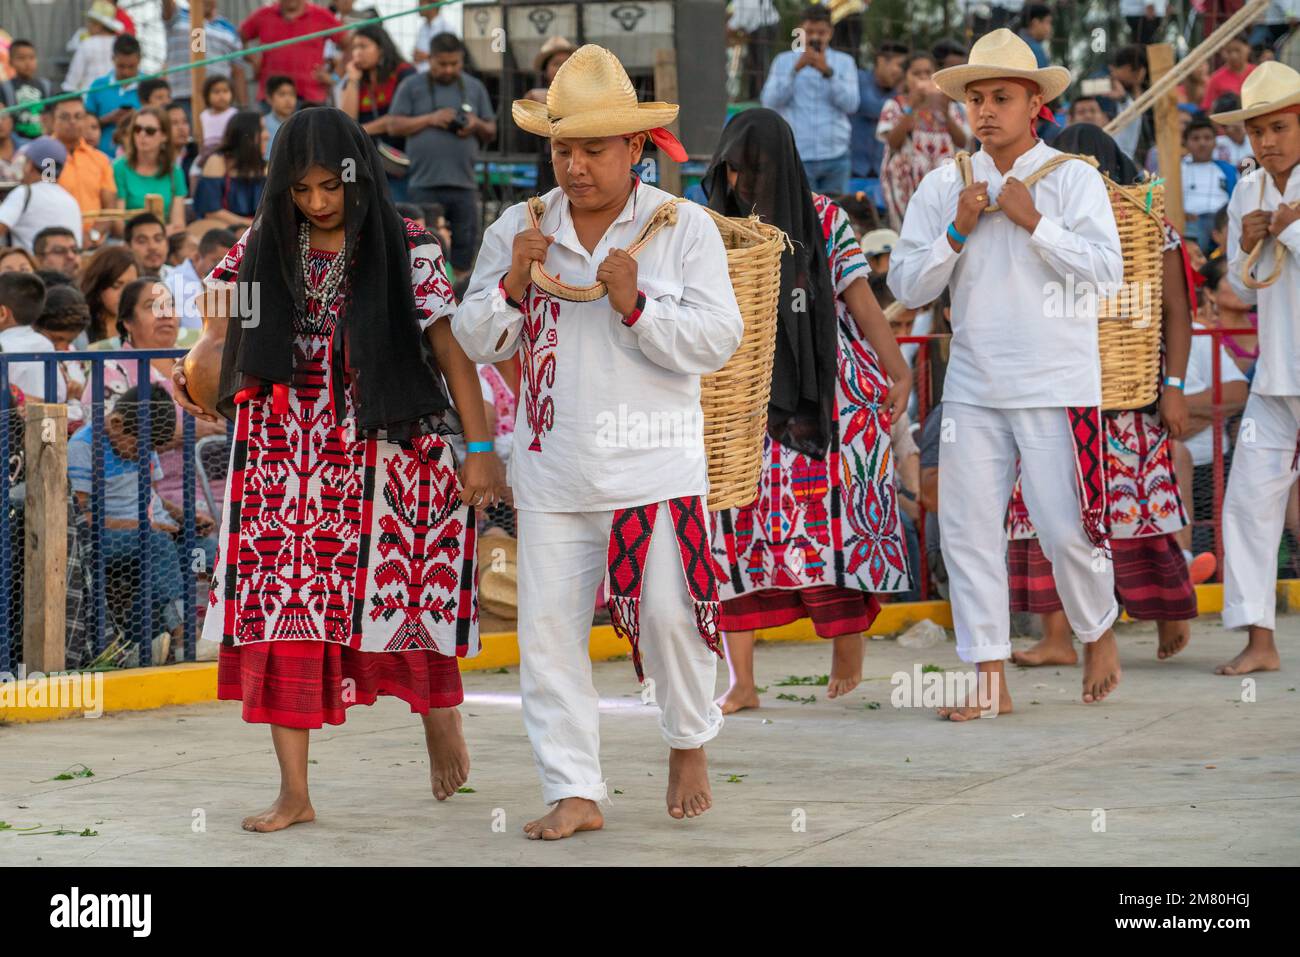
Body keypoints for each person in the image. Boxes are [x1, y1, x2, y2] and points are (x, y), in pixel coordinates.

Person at [170, 108, 498, 831]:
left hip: (389, 454)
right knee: (280, 615)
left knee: (405, 606)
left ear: (359, 175)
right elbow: (214, 339)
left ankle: (438, 714)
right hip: (282, 465)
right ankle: (295, 790)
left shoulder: (407, 245)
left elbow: (449, 351)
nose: (317, 201)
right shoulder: (258, 246)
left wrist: (479, 451)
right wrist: (197, 365)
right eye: (301, 188)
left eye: (331, 186)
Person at [453, 45, 743, 839]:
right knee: (547, 639)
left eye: (591, 148)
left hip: (656, 465)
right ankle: (575, 788)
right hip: (551, 468)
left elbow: (721, 338)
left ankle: (688, 738)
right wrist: (512, 283)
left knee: (670, 617)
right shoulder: (522, 224)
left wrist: (636, 304)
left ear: (634, 149)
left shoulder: (680, 228)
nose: (574, 166)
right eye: (562, 148)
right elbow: (473, 336)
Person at [889, 29, 1125, 718]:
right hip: (973, 385)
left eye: (1001, 96)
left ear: (1033, 103)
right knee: (965, 529)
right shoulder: (946, 185)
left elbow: (1108, 274)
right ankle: (989, 675)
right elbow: (907, 281)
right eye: (976, 97)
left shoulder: (1073, 178)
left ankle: (1096, 628)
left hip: (1059, 381)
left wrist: (1035, 222)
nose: (985, 109)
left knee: (1065, 529)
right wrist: (955, 233)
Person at [702, 108, 913, 712]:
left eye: (757, 169)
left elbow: (861, 300)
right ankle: (741, 682)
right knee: (735, 533)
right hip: (743, 401)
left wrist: (897, 369)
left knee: (838, 529)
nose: (745, 183)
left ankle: (847, 662)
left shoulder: (824, 218)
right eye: (736, 170)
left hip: (829, 395)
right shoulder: (711, 227)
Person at [1006, 123, 1202, 667]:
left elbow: (1176, 312)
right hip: (1054, 389)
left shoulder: (1149, 226)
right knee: (1044, 515)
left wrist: (1176, 387)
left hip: (1127, 397)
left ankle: (1168, 613)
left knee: (1135, 511)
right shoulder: (1043, 220)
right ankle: (1057, 638)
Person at [1214, 62, 1300, 676]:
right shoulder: (1247, 191)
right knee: (1246, 504)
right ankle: (1260, 641)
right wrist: (1246, 249)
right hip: (1276, 377)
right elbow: (1239, 293)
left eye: (1278, 127)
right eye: (1255, 132)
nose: (1266, 142)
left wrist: (1293, 233)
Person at [68, 386, 187, 665]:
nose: (140, 456)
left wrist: (184, 517)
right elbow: (81, 520)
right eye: (137, 447)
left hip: (146, 531)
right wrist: (143, 527)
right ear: (117, 424)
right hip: (103, 538)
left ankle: (139, 638)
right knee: (156, 544)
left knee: (202, 548)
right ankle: (184, 638)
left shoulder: (143, 442)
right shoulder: (83, 447)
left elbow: (152, 495)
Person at [388, 33, 496, 274]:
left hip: (464, 184)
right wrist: (431, 119)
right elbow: (394, 125)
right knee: (419, 249)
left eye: (454, 64)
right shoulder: (411, 85)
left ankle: (458, 298)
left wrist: (475, 123)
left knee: (464, 251)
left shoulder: (474, 87)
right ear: (430, 59)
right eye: (442, 64)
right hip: (423, 182)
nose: (448, 70)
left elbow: (491, 130)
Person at [759, 4, 859, 195]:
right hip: (798, 155)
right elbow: (769, 102)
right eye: (810, 31)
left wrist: (828, 72)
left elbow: (852, 104)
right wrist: (796, 69)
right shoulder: (784, 61)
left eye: (820, 32)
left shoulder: (845, 63)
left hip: (836, 156)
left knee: (836, 217)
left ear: (830, 33)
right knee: (801, 219)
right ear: (800, 31)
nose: (814, 38)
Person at [877, 51, 971, 230]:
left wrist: (945, 113)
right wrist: (911, 108)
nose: (923, 78)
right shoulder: (895, 106)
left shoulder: (950, 107)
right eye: (916, 74)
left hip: (943, 185)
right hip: (904, 186)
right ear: (906, 78)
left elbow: (962, 141)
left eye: (928, 73)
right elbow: (893, 142)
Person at [240, 0, 342, 108]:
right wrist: (252, 59)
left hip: (310, 100)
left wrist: (335, 77)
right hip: (272, 99)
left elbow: (349, 43)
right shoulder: (264, 14)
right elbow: (239, 37)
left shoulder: (321, 15)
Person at [50, 97, 119, 245]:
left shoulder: (100, 160)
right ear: (52, 120)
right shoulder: (46, 157)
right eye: (65, 117)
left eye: (78, 116)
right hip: (56, 239)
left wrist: (92, 235)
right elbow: (44, 201)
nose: (72, 122)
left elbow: (109, 208)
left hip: (94, 242)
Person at [113, 107, 189, 234]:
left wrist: (157, 236)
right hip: (130, 239)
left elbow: (178, 225)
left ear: (164, 136)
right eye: (137, 129)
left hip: (164, 239)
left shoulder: (174, 172)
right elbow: (118, 223)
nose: (142, 135)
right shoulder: (119, 168)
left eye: (150, 131)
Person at [162, 0, 244, 117]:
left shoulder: (229, 29)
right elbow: (167, 7)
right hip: (180, 97)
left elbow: (237, 71)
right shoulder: (177, 16)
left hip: (218, 102)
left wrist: (242, 106)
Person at [0, 138, 84, 252]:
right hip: (66, 267)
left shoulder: (24, 193)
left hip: (31, 268)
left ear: (30, 165)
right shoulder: (71, 200)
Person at [191, 110, 268, 229]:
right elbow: (212, 212)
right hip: (224, 230)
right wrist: (251, 224)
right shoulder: (218, 161)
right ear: (245, 134)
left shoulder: (265, 167)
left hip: (256, 230)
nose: (267, 135)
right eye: (261, 129)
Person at [523, 37, 577, 195]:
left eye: (567, 63)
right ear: (546, 71)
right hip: (548, 164)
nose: (562, 69)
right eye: (556, 64)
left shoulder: (587, 95)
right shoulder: (535, 97)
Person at [850, 40, 907, 183]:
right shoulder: (858, 79)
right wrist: (901, 95)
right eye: (900, 65)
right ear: (881, 61)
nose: (902, 72)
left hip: (883, 170)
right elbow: (872, 107)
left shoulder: (898, 91)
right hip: (853, 168)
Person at [84, 32, 143, 155]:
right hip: (101, 158)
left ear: (139, 60)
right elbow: (84, 125)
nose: (126, 72)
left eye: (131, 67)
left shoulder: (149, 86)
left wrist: (136, 119)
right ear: (113, 59)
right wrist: (107, 119)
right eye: (121, 66)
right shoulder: (98, 86)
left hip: (140, 159)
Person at [170, 227, 236, 330]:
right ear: (197, 256)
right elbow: (197, 328)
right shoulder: (176, 283)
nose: (223, 270)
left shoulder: (229, 283)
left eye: (229, 265)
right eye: (217, 261)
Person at [79, 244, 139, 343]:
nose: (124, 294)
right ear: (98, 286)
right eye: (116, 286)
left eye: (131, 286)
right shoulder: (81, 330)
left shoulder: (146, 327)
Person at [63, 1, 123, 96]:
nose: (88, 26)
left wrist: (66, 93)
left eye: (91, 22)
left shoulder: (87, 44)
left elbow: (74, 78)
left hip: (90, 98)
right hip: (116, 96)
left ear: (98, 25)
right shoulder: (120, 43)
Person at [0, 39, 55, 141]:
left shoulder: (45, 86)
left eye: (32, 58)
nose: (27, 62)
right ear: (11, 62)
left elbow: (50, 114)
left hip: (43, 140)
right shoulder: (5, 88)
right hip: (15, 142)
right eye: (21, 58)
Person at [726, 0, 781, 102]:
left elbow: (735, 24)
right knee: (753, 64)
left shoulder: (742, 3)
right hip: (759, 29)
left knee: (760, 65)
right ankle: (753, 96)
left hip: (766, 27)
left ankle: (759, 97)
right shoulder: (736, 3)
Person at [1204, 34, 1256, 112]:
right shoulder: (1216, 78)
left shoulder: (1258, 72)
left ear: (1248, 48)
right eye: (1228, 51)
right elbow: (1209, 110)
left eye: (1238, 50)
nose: (1233, 56)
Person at [197, 75, 238, 158]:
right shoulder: (204, 116)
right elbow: (201, 139)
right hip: (207, 154)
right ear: (207, 95)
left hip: (227, 153)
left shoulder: (234, 114)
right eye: (216, 92)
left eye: (225, 91)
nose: (221, 96)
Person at [413, 1, 460, 73]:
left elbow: (451, 56)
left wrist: (426, 57)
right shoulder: (422, 28)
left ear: (432, 4)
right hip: (420, 74)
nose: (418, 7)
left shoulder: (447, 28)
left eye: (421, 3)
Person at [262, 76, 298, 159]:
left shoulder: (300, 124)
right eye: (282, 94)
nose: (288, 99)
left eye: (292, 94)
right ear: (269, 98)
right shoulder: (263, 124)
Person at [125, 213, 170, 277]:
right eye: (142, 241)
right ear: (128, 247)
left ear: (167, 244)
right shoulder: (121, 282)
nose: (152, 247)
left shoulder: (182, 279)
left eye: (158, 239)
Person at [1018, 4, 1053, 69]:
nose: (1050, 28)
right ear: (1035, 22)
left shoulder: (1015, 41)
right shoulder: (1035, 49)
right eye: (1048, 22)